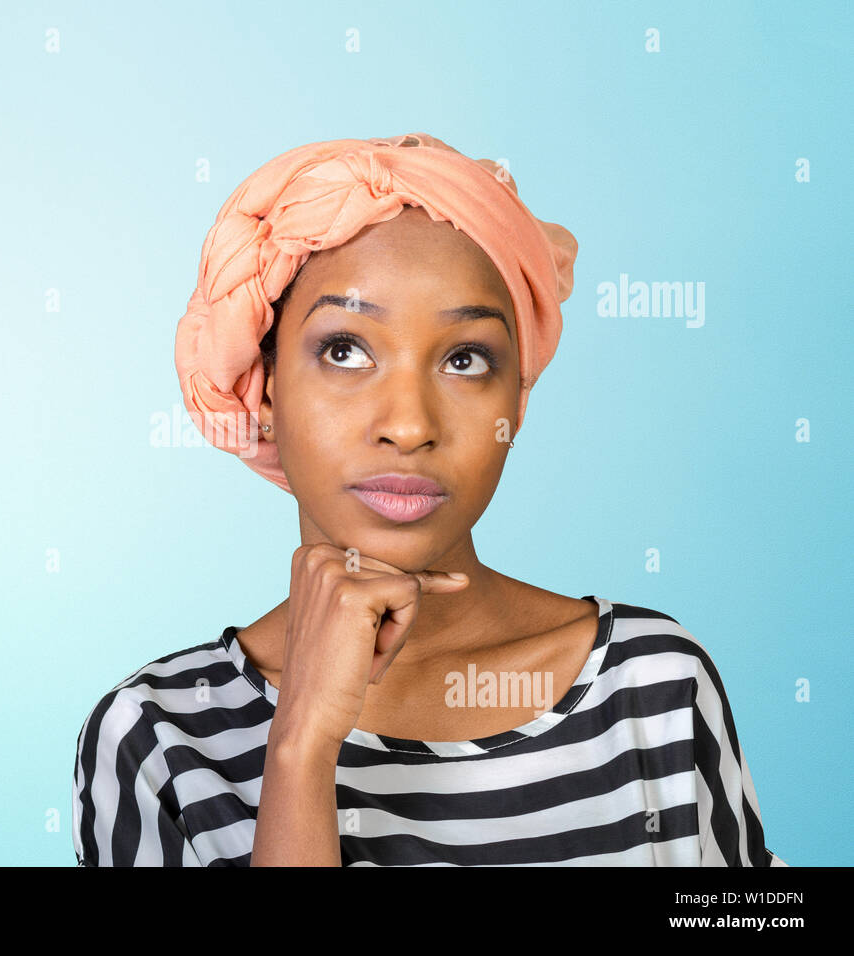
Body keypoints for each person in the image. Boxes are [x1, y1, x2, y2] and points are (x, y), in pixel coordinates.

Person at [71, 132, 785, 866]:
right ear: (267, 384)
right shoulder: (158, 739)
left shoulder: (652, 687)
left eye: (465, 359)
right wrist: (301, 745)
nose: (409, 426)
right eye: (345, 349)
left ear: (519, 395)